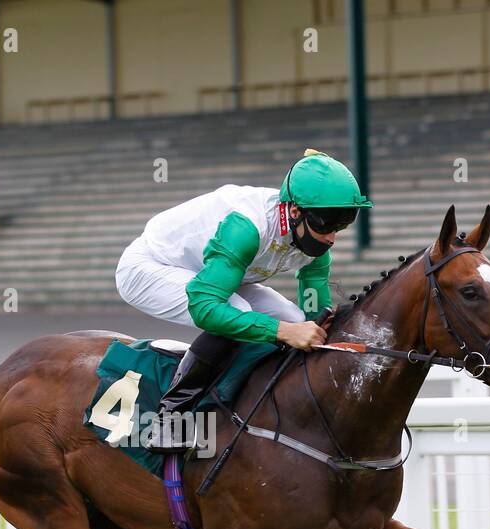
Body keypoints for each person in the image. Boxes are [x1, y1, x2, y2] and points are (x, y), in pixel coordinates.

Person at [115, 149, 373, 451]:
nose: (332, 237)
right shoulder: (246, 228)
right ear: (294, 211)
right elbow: (207, 309)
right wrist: (283, 333)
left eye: (342, 224)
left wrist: (317, 323)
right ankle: (170, 417)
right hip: (150, 267)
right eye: (327, 223)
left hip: (218, 272)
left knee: (293, 318)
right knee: (239, 312)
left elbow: (313, 303)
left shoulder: (310, 231)